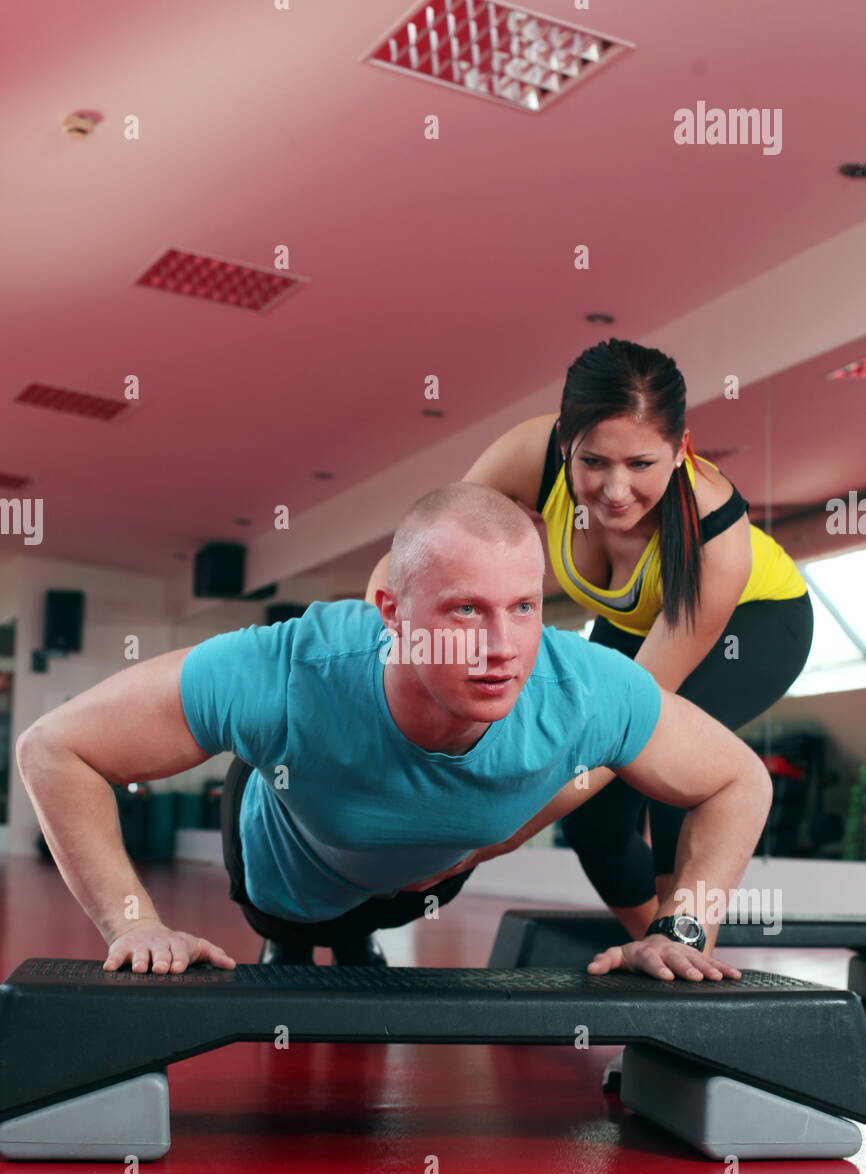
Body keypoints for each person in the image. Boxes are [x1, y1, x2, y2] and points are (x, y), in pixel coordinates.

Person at [16, 483, 770, 981]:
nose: (502, 646)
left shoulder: (584, 687)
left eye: (524, 607)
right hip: (284, 876)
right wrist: (133, 925)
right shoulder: (287, 669)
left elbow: (738, 779)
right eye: (465, 610)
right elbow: (56, 746)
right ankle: (307, 938)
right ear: (390, 611)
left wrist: (684, 930)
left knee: (368, 930)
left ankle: (352, 937)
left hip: (422, 883)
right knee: (296, 929)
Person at [366, 339, 812, 940]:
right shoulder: (531, 455)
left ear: (681, 450)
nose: (615, 489)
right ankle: (651, 950)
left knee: (675, 767)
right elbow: (418, 554)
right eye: (594, 462)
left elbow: (627, 721)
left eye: (641, 465)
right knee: (592, 826)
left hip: (759, 623)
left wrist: (501, 838)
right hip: (631, 628)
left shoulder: (715, 543)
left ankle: (686, 945)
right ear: (565, 440)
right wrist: (375, 651)